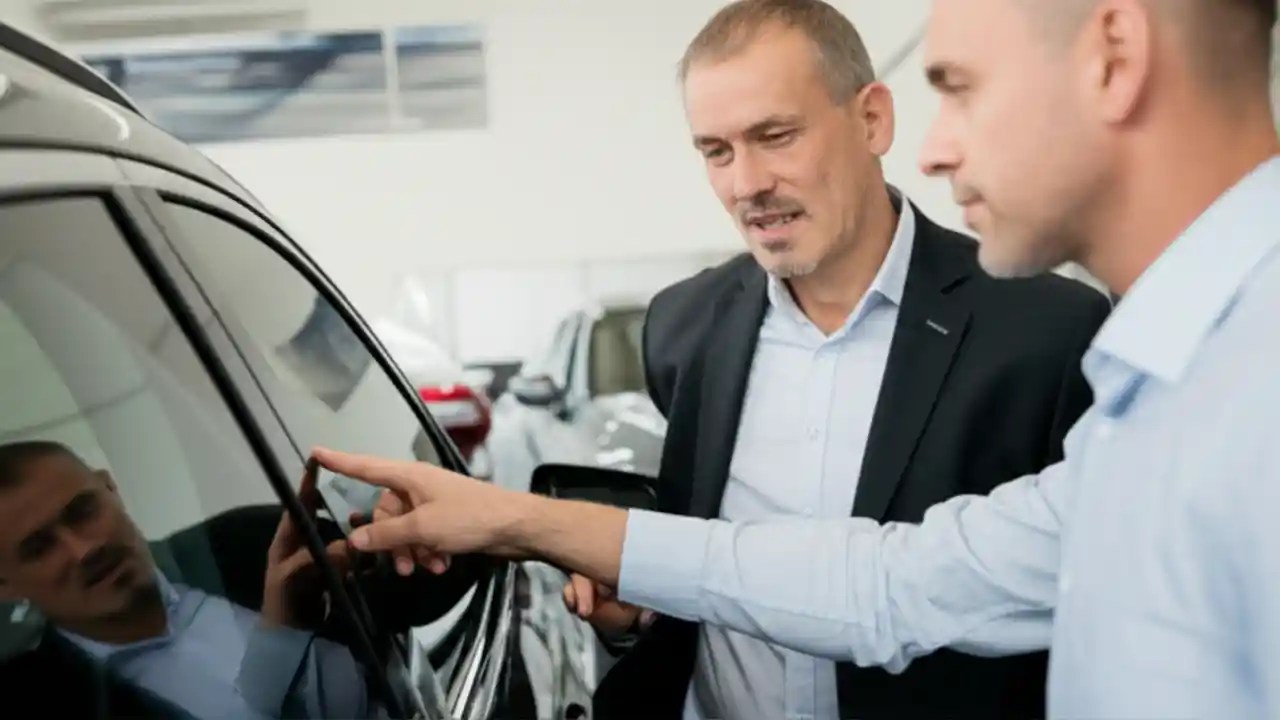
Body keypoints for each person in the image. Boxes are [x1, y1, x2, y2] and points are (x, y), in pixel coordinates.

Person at [315, 0, 1280, 717]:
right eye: (715, 151)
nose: (938, 151)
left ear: (1116, 54)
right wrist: (528, 523)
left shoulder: (1183, 372)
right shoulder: (1161, 400)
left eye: (961, 88)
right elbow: (887, 586)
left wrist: (521, 519)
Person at [567, 1, 1108, 718]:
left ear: (872, 120)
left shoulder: (1047, 330)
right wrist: (637, 617)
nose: (746, 184)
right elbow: (701, 580)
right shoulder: (682, 327)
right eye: (716, 151)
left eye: (776, 135)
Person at [0, 441, 372, 718]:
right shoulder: (41, 702)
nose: (83, 550)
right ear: (4, 585)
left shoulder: (247, 540)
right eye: (39, 547)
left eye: (82, 511)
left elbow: (408, 596)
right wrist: (281, 640)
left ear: (110, 489)